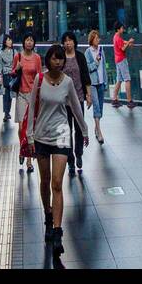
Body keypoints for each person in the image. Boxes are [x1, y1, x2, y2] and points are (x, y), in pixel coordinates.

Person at [25, 44, 89, 257]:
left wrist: (84, 129)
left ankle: (58, 231)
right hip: (42, 136)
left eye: (61, 58)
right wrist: (30, 136)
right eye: (55, 58)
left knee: (56, 184)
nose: (59, 61)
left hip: (62, 136)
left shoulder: (68, 82)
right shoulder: (40, 80)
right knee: (44, 182)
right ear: (48, 60)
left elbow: (75, 107)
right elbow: (32, 105)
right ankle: (48, 214)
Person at [61, 30, 92, 177]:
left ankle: (78, 153)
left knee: (79, 128)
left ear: (74, 42)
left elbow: (85, 75)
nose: (68, 43)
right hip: (64, 100)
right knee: (67, 130)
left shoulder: (80, 56)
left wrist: (88, 94)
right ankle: (70, 160)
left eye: (70, 40)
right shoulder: (60, 57)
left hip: (78, 97)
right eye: (65, 40)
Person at [13, 33, 44, 174]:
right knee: (21, 127)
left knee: (29, 127)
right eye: (27, 39)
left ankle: (29, 159)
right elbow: (13, 73)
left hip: (33, 95)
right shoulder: (18, 56)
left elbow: (40, 75)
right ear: (24, 42)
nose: (29, 42)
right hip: (21, 94)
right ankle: (22, 148)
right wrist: (17, 69)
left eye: (31, 40)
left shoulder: (37, 58)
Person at [85, 29, 107, 143]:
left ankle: (96, 127)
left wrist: (106, 82)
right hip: (92, 84)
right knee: (96, 107)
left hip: (101, 83)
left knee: (101, 109)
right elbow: (88, 68)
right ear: (92, 39)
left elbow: (104, 68)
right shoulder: (88, 52)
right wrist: (96, 62)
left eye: (99, 38)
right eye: (96, 38)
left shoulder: (101, 50)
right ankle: (99, 132)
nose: (98, 40)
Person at [111, 21, 135, 109]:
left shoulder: (116, 37)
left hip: (117, 60)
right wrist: (129, 42)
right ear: (118, 29)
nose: (123, 29)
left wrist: (127, 42)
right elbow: (123, 48)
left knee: (119, 80)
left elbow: (122, 42)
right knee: (127, 79)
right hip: (121, 60)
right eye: (122, 28)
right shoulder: (117, 38)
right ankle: (129, 101)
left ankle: (114, 99)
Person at [0, 33, 15, 122]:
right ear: (5, 42)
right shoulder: (1, 52)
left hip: (12, 75)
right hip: (4, 75)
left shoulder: (14, 52)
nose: (10, 41)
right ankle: (6, 113)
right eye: (8, 40)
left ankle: (8, 112)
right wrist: (0, 75)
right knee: (5, 95)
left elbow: (16, 64)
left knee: (10, 95)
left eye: (10, 40)